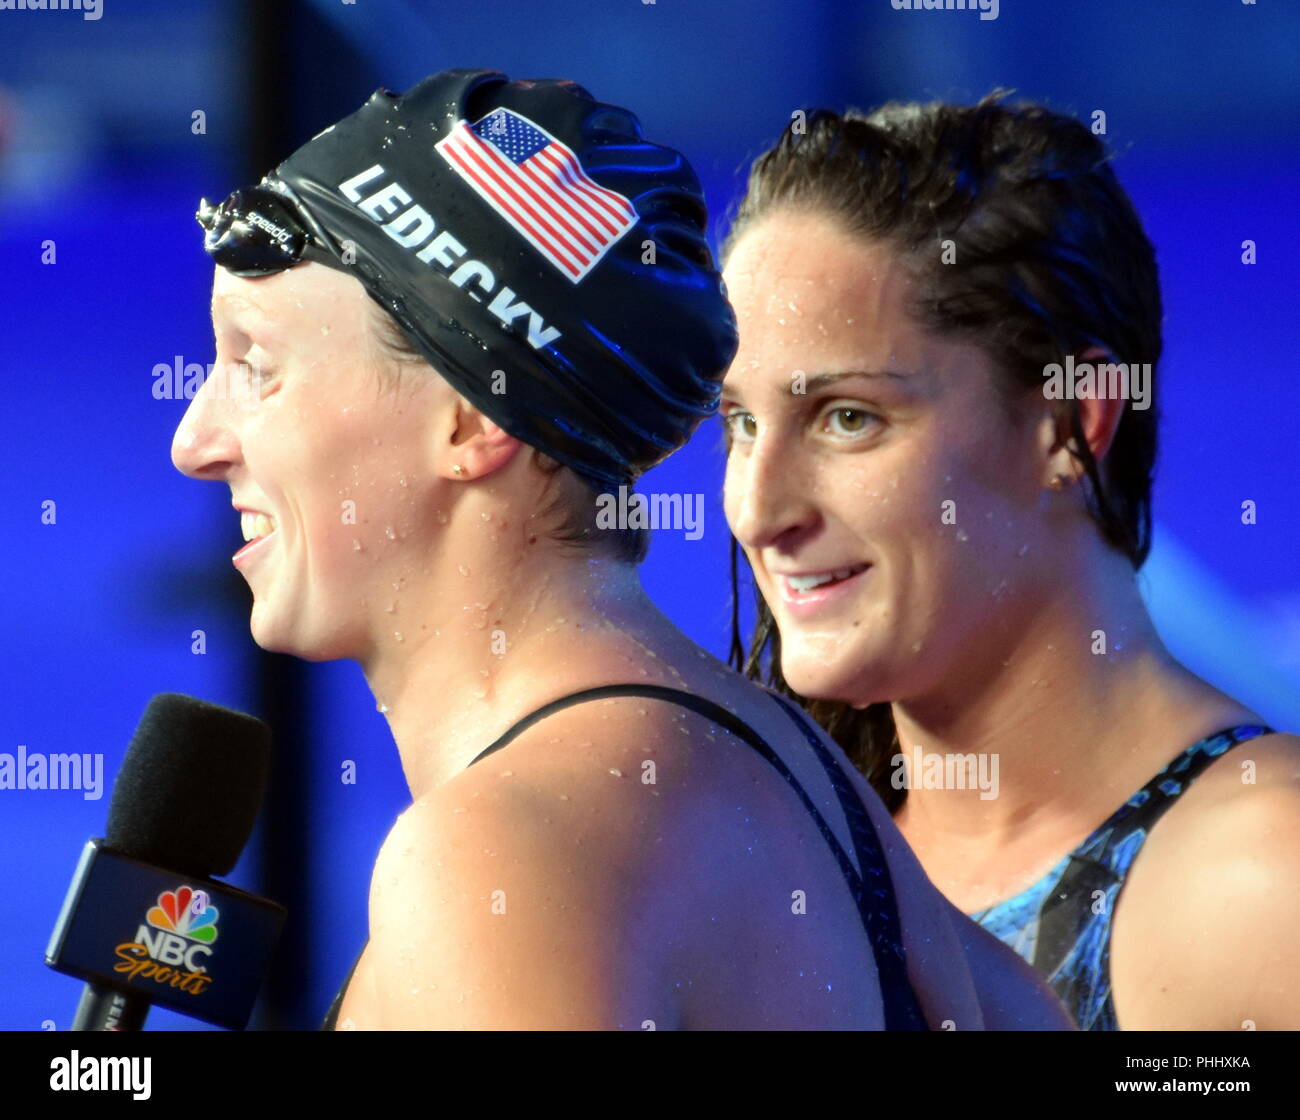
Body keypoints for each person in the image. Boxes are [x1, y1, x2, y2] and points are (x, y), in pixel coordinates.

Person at [173, 69, 1069, 1030]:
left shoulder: (496, 863)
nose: (194, 442)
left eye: (256, 368)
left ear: (473, 420)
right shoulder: (841, 833)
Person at [719, 92, 1300, 1030]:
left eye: (848, 418)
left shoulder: (1264, 879)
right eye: (742, 423)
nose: (757, 510)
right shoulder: (784, 868)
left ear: (1073, 422)